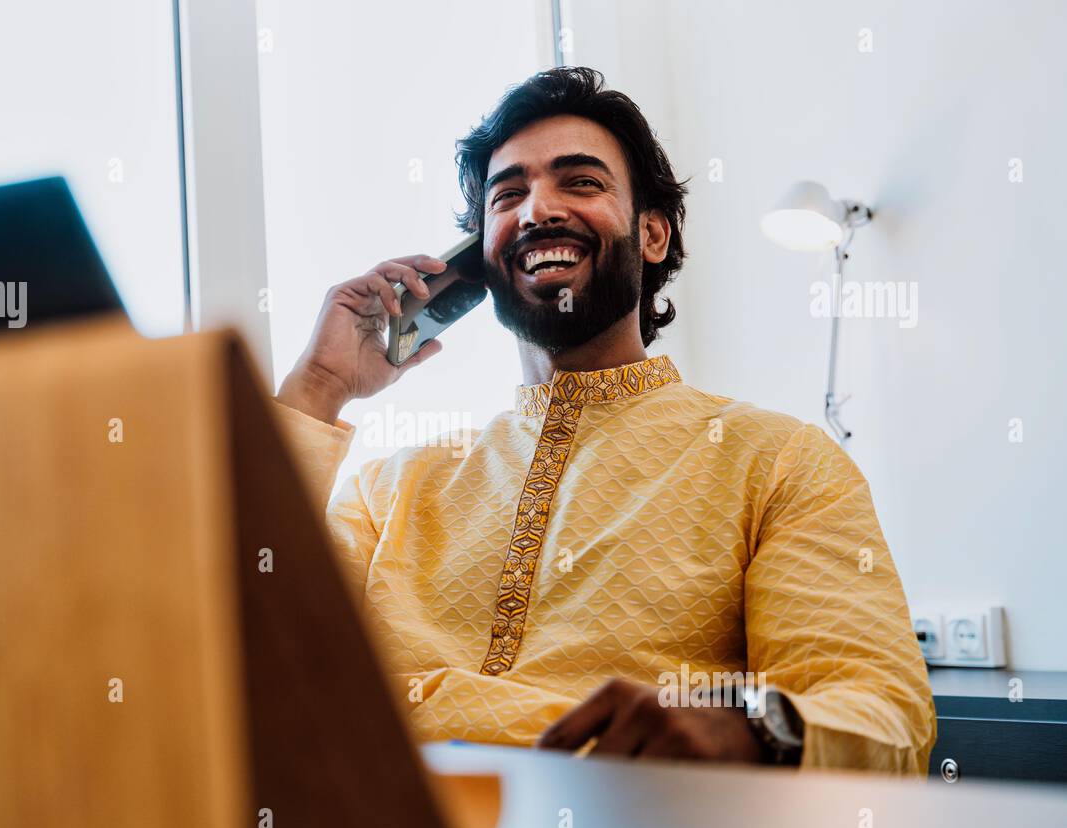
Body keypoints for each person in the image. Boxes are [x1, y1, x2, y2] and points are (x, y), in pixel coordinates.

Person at [273, 67, 935, 773]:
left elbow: (885, 715)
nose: (536, 212)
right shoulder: (388, 491)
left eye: (580, 182)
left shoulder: (778, 461)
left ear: (652, 234)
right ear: (478, 262)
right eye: (508, 195)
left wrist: (751, 727)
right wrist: (316, 388)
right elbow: (230, 647)